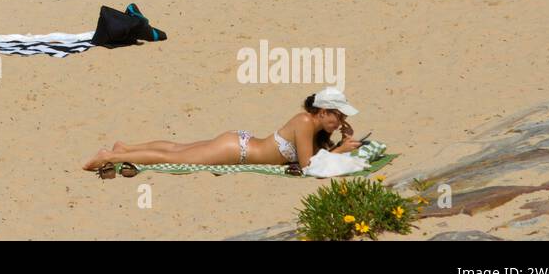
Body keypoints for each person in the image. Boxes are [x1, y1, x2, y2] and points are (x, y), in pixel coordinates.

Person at [82, 88, 364, 175]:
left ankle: (125, 148)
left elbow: (314, 154)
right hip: (237, 151)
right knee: (177, 157)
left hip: (239, 144)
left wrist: (340, 138)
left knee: (178, 149)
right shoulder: (304, 123)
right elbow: (307, 165)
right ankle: (111, 155)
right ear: (323, 111)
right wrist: (340, 149)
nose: (339, 122)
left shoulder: (310, 125)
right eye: (337, 116)